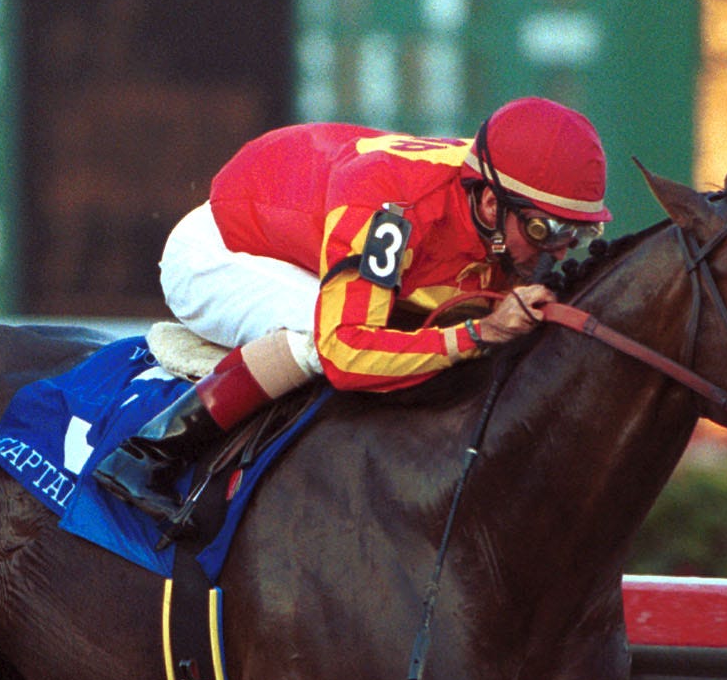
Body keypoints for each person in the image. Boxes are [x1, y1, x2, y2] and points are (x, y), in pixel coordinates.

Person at [93, 96, 613, 523]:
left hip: (310, 246)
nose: (560, 250)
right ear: (491, 206)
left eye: (580, 234)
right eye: (548, 231)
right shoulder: (395, 210)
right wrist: (477, 334)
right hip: (222, 253)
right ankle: (149, 454)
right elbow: (348, 351)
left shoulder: (496, 202)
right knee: (321, 340)